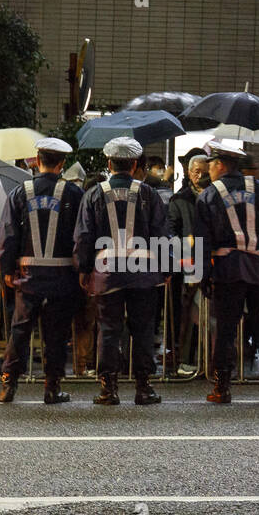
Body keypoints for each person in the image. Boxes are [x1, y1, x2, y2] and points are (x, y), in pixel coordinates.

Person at [72, 136, 170, 405]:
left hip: (107, 272)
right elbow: (162, 233)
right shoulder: (148, 194)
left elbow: (83, 235)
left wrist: (82, 268)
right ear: (136, 164)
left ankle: (109, 388)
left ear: (109, 163)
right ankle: (143, 387)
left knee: (109, 329)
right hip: (143, 272)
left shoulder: (94, 194)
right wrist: (167, 267)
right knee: (143, 329)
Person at [195, 139, 259, 403]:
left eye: (211, 164)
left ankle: (222, 387)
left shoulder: (209, 194)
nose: (208, 170)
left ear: (220, 165)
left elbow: (201, 241)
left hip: (227, 272)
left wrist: (202, 276)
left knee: (225, 331)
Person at [0, 137, 84, 404]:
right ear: (62, 163)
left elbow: (7, 234)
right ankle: (51, 388)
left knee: (20, 331)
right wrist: (83, 269)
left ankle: (8, 385)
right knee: (56, 335)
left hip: (27, 277)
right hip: (62, 276)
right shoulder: (74, 194)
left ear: (38, 161)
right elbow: (82, 236)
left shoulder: (20, 192)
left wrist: (6, 270)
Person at [165, 152, 209, 374]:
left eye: (205, 171)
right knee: (188, 316)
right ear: (189, 173)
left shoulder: (216, 197)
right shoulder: (179, 200)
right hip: (187, 266)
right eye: (196, 171)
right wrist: (184, 243)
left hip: (211, 264)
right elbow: (170, 231)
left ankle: (210, 360)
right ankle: (186, 359)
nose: (201, 175)